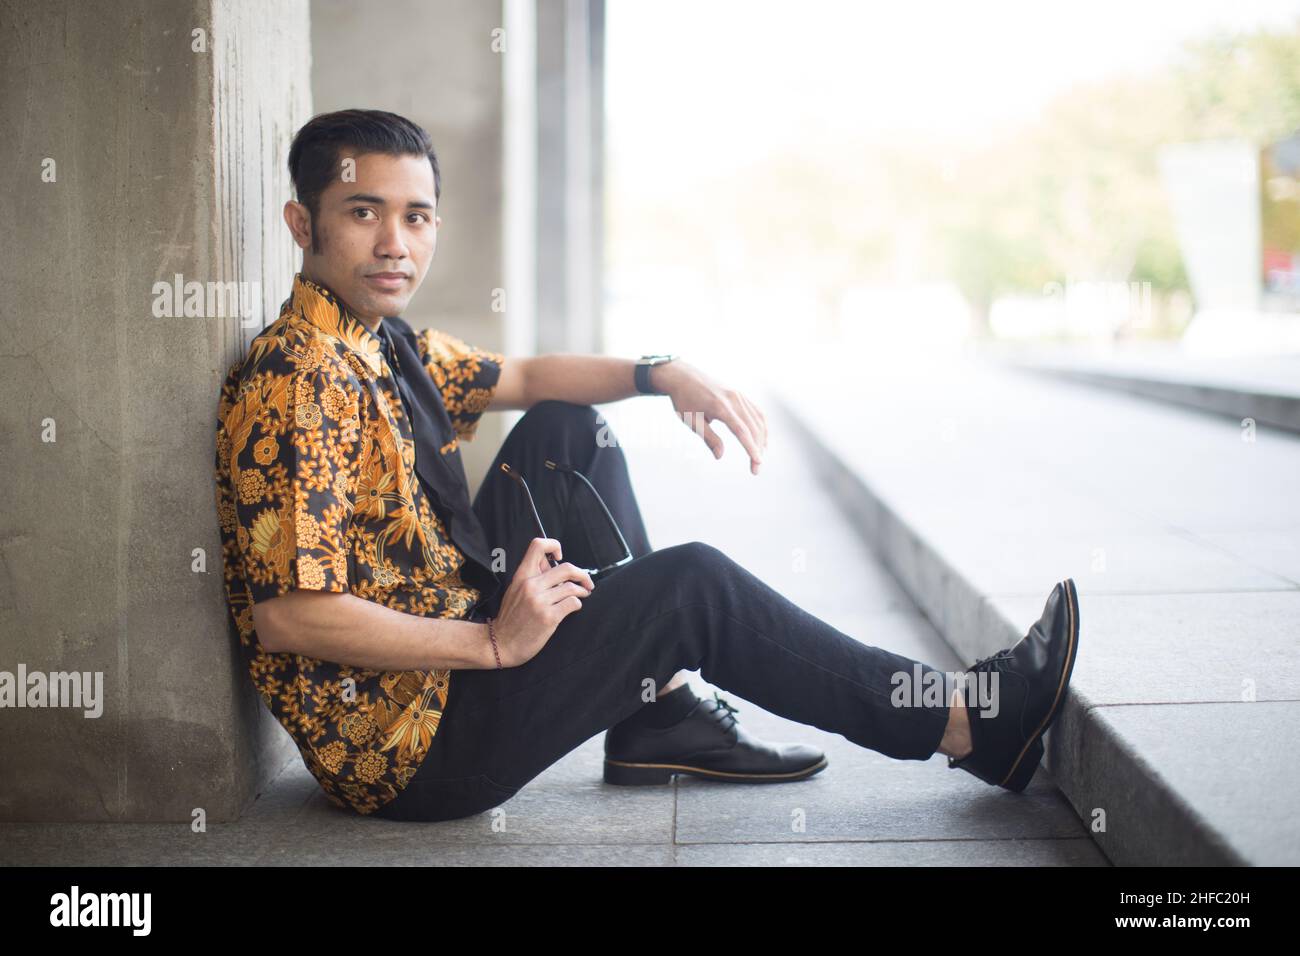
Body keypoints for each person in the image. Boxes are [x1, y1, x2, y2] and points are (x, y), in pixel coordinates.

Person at [214, 108, 1081, 822]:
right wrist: (491, 641)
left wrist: (662, 373)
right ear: (305, 223)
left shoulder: (379, 339)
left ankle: (657, 715)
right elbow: (292, 616)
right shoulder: (302, 378)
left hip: (443, 644)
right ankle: (968, 723)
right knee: (692, 586)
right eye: (365, 212)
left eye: (417, 215)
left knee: (563, 427)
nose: (395, 242)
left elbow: (519, 377)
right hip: (410, 746)